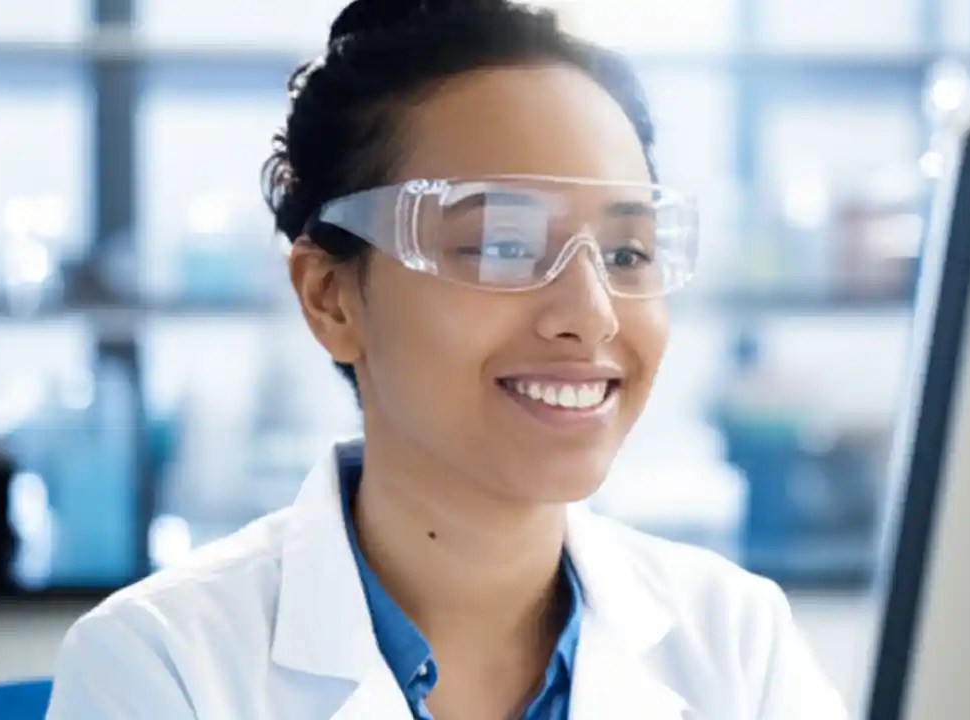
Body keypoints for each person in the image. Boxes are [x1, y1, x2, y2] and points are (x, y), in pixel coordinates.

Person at [46, 1, 847, 718]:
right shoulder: (162, 666)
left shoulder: (739, 645)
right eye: (502, 244)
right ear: (332, 297)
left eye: (627, 251)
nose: (590, 314)